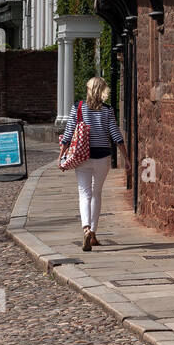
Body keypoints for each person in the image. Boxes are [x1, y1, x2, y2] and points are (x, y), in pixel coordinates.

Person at [59, 76, 124, 252]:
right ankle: (93, 233)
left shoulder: (78, 107)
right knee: (96, 193)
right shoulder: (108, 110)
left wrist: (62, 157)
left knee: (84, 193)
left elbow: (68, 133)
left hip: (82, 156)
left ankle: (86, 228)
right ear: (103, 92)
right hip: (102, 157)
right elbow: (116, 135)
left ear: (88, 90)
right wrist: (127, 157)